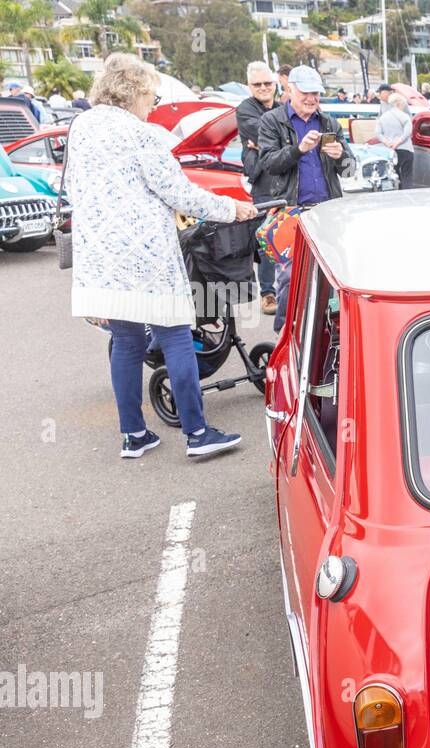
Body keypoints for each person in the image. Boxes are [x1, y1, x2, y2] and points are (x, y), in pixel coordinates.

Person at [67, 53, 257, 459]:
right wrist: (231, 208)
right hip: (145, 253)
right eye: (151, 97)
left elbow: (74, 189)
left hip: (101, 256)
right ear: (133, 91)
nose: (152, 106)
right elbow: (178, 191)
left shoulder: (80, 127)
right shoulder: (141, 134)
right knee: (175, 336)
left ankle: (134, 436)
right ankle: (198, 433)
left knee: (126, 340)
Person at [257, 65, 355, 330]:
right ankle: (285, 336)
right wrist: (298, 149)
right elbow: (268, 164)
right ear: (290, 90)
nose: (312, 99)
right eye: (306, 93)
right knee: (290, 278)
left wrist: (341, 157)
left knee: (332, 276)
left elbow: (350, 170)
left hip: (327, 212)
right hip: (291, 212)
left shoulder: (329, 123)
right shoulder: (272, 121)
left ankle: (325, 336)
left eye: (316, 94)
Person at [236, 61, 279, 315]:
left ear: (274, 84)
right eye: (257, 84)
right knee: (266, 238)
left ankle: (290, 288)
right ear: (248, 86)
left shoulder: (284, 108)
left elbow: (279, 138)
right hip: (262, 179)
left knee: (290, 236)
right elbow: (270, 135)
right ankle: (268, 293)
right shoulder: (244, 109)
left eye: (267, 83)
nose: (263, 88)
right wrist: (276, 142)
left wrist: (269, 143)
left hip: (284, 178)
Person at [378, 91, 414, 188]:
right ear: (398, 103)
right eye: (403, 104)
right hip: (406, 149)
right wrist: (398, 142)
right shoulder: (405, 117)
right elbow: (408, 132)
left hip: (390, 151)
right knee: (407, 176)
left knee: (393, 176)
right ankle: (407, 196)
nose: (404, 107)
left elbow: (378, 133)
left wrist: (388, 143)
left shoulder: (383, 117)